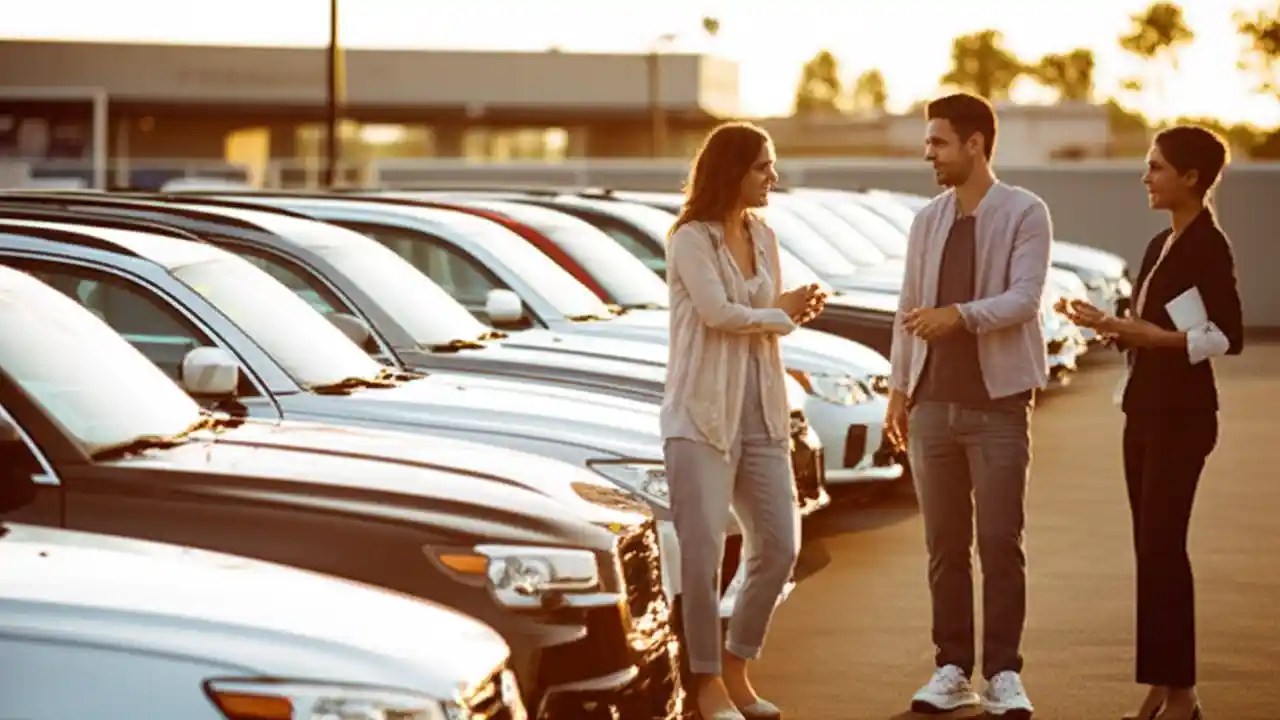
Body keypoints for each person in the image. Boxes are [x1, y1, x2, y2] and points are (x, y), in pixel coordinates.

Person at [1063, 125, 1243, 720]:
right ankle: (1163, 687)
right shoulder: (1160, 244)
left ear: (1191, 178)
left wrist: (1150, 335)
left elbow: (1224, 336)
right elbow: (1166, 331)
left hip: (1182, 419)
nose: (1146, 176)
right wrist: (1111, 325)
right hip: (1143, 410)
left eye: (1157, 167)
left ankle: (1183, 693)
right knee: (1152, 549)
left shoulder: (1208, 247)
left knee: (1165, 549)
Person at [884, 92, 1052, 719]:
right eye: (929, 143)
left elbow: (1025, 300)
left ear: (976, 143)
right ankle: (951, 668)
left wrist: (958, 317)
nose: (929, 153)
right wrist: (899, 393)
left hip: (1000, 406)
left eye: (939, 143)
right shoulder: (927, 219)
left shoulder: (1025, 212)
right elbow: (907, 310)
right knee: (944, 547)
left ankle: (1005, 673)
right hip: (931, 407)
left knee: (1001, 543)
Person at [661, 121, 826, 720]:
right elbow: (716, 313)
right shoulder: (689, 239)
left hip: (760, 409)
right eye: (763, 167)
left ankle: (735, 665)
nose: (772, 178)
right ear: (732, 170)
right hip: (700, 415)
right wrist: (779, 313)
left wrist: (787, 313)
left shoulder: (764, 235)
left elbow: (756, 316)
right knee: (702, 558)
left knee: (780, 545)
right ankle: (704, 687)